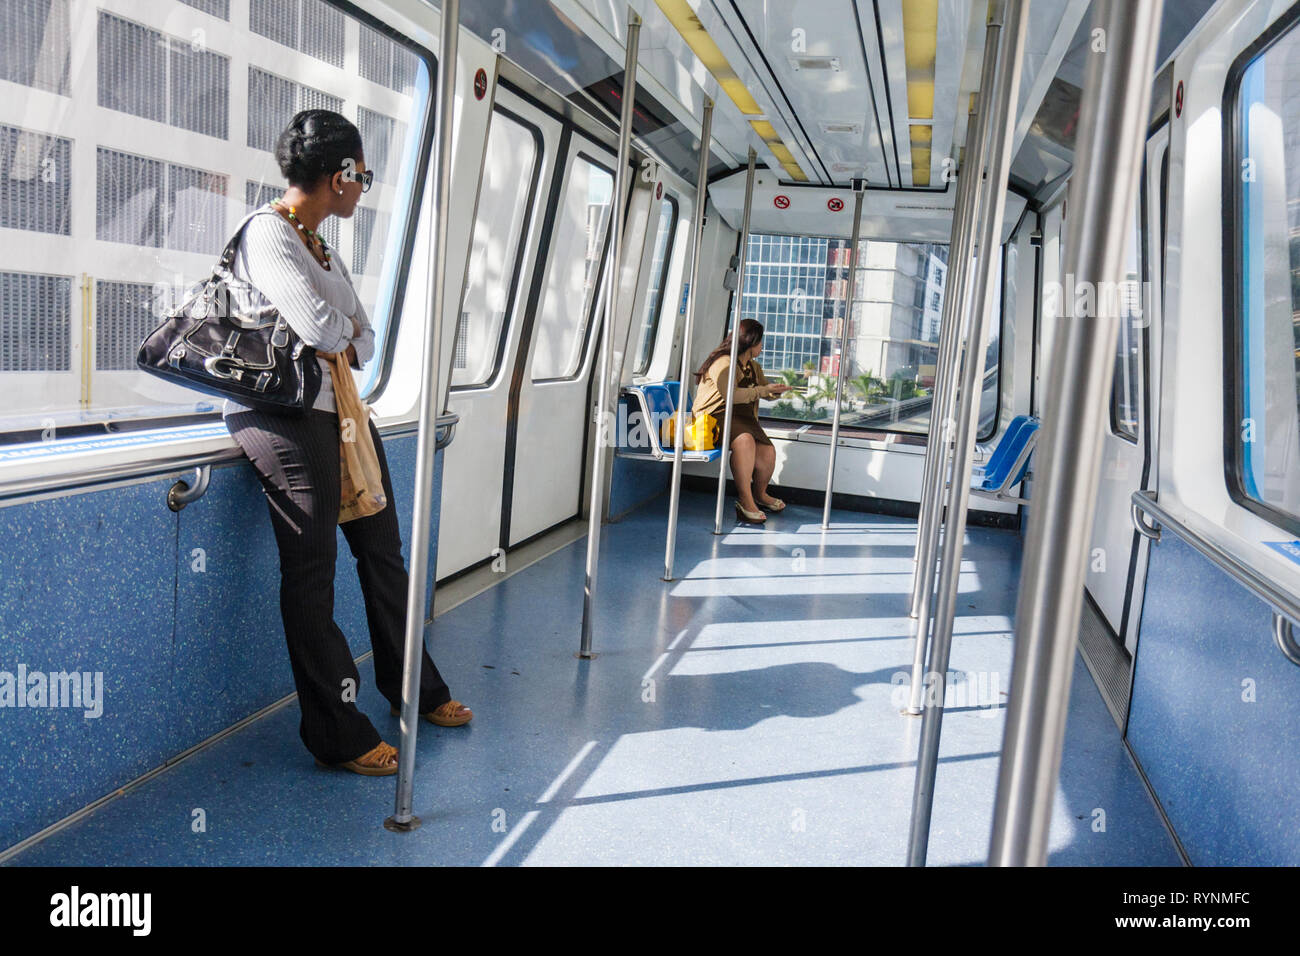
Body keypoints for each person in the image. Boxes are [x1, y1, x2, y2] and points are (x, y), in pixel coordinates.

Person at [222, 110, 471, 777]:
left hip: (342, 416)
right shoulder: (268, 235)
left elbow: (361, 334)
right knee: (312, 574)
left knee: (384, 555)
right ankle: (336, 728)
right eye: (363, 176)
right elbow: (324, 328)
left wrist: (344, 328)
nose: (365, 187)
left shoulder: (319, 245)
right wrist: (342, 328)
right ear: (340, 177)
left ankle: (415, 687)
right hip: (283, 418)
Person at [692, 318, 793, 523]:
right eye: (760, 342)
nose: (762, 347)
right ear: (751, 342)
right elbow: (731, 396)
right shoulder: (723, 363)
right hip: (714, 417)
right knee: (744, 440)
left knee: (767, 451)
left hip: (742, 418)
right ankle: (746, 500)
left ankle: (760, 493)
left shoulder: (753, 367)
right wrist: (763, 390)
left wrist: (774, 392)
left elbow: (761, 391)